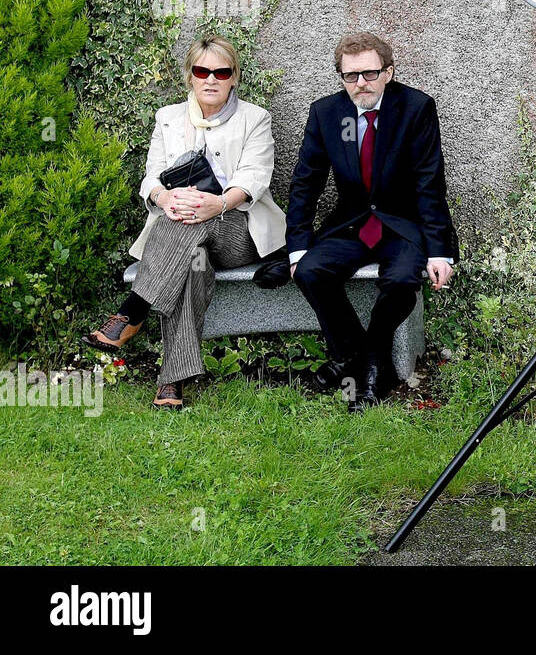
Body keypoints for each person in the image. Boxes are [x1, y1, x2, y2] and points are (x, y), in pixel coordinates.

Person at [84, 36, 287, 410]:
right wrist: (165, 197)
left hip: (236, 230)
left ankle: (133, 311)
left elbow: (256, 177)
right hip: (184, 234)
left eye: (221, 72)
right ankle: (171, 384)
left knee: (192, 219)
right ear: (190, 77)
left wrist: (220, 202)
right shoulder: (168, 118)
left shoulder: (255, 118)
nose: (211, 79)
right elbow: (150, 179)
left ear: (233, 78)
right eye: (202, 71)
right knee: (193, 261)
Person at [287, 32, 458, 412]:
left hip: (404, 225)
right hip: (353, 223)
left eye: (369, 73)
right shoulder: (326, 113)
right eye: (350, 76)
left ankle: (372, 363)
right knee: (310, 271)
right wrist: (298, 245)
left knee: (399, 280)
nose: (360, 83)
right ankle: (354, 355)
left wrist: (440, 252)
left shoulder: (415, 108)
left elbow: (430, 182)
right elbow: (305, 184)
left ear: (388, 72)